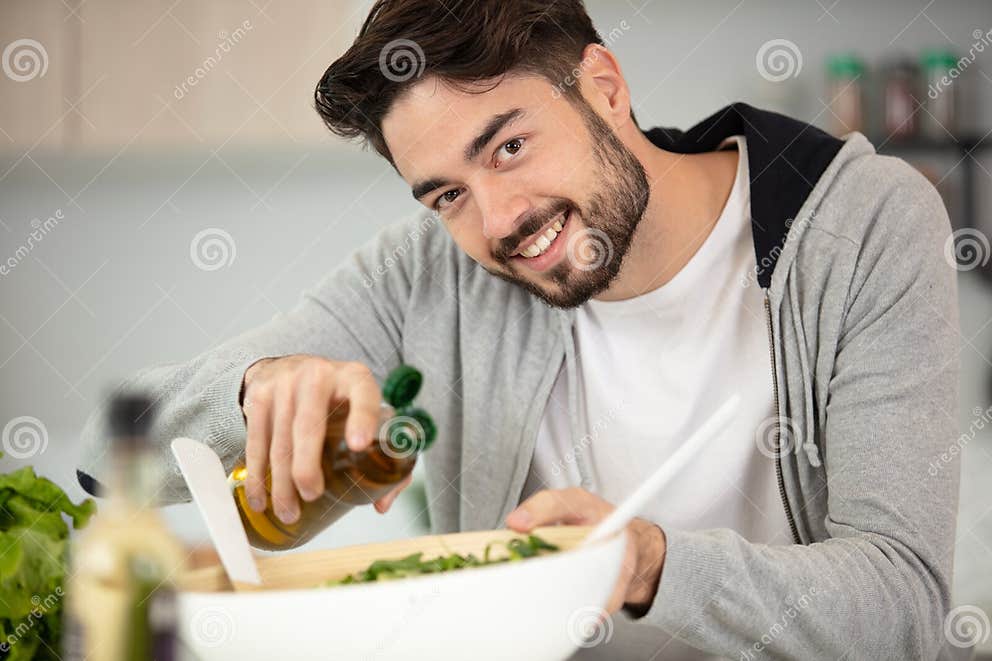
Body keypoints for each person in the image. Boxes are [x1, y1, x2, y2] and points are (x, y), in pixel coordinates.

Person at [79, 1, 961, 658]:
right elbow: (107, 445)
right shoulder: (433, 270)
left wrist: (647, 562)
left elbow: (904, 607)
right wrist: (260, 384)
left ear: (605, 89)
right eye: (447, 193)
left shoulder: (864, 225)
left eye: (508, 146)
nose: (498, 221)